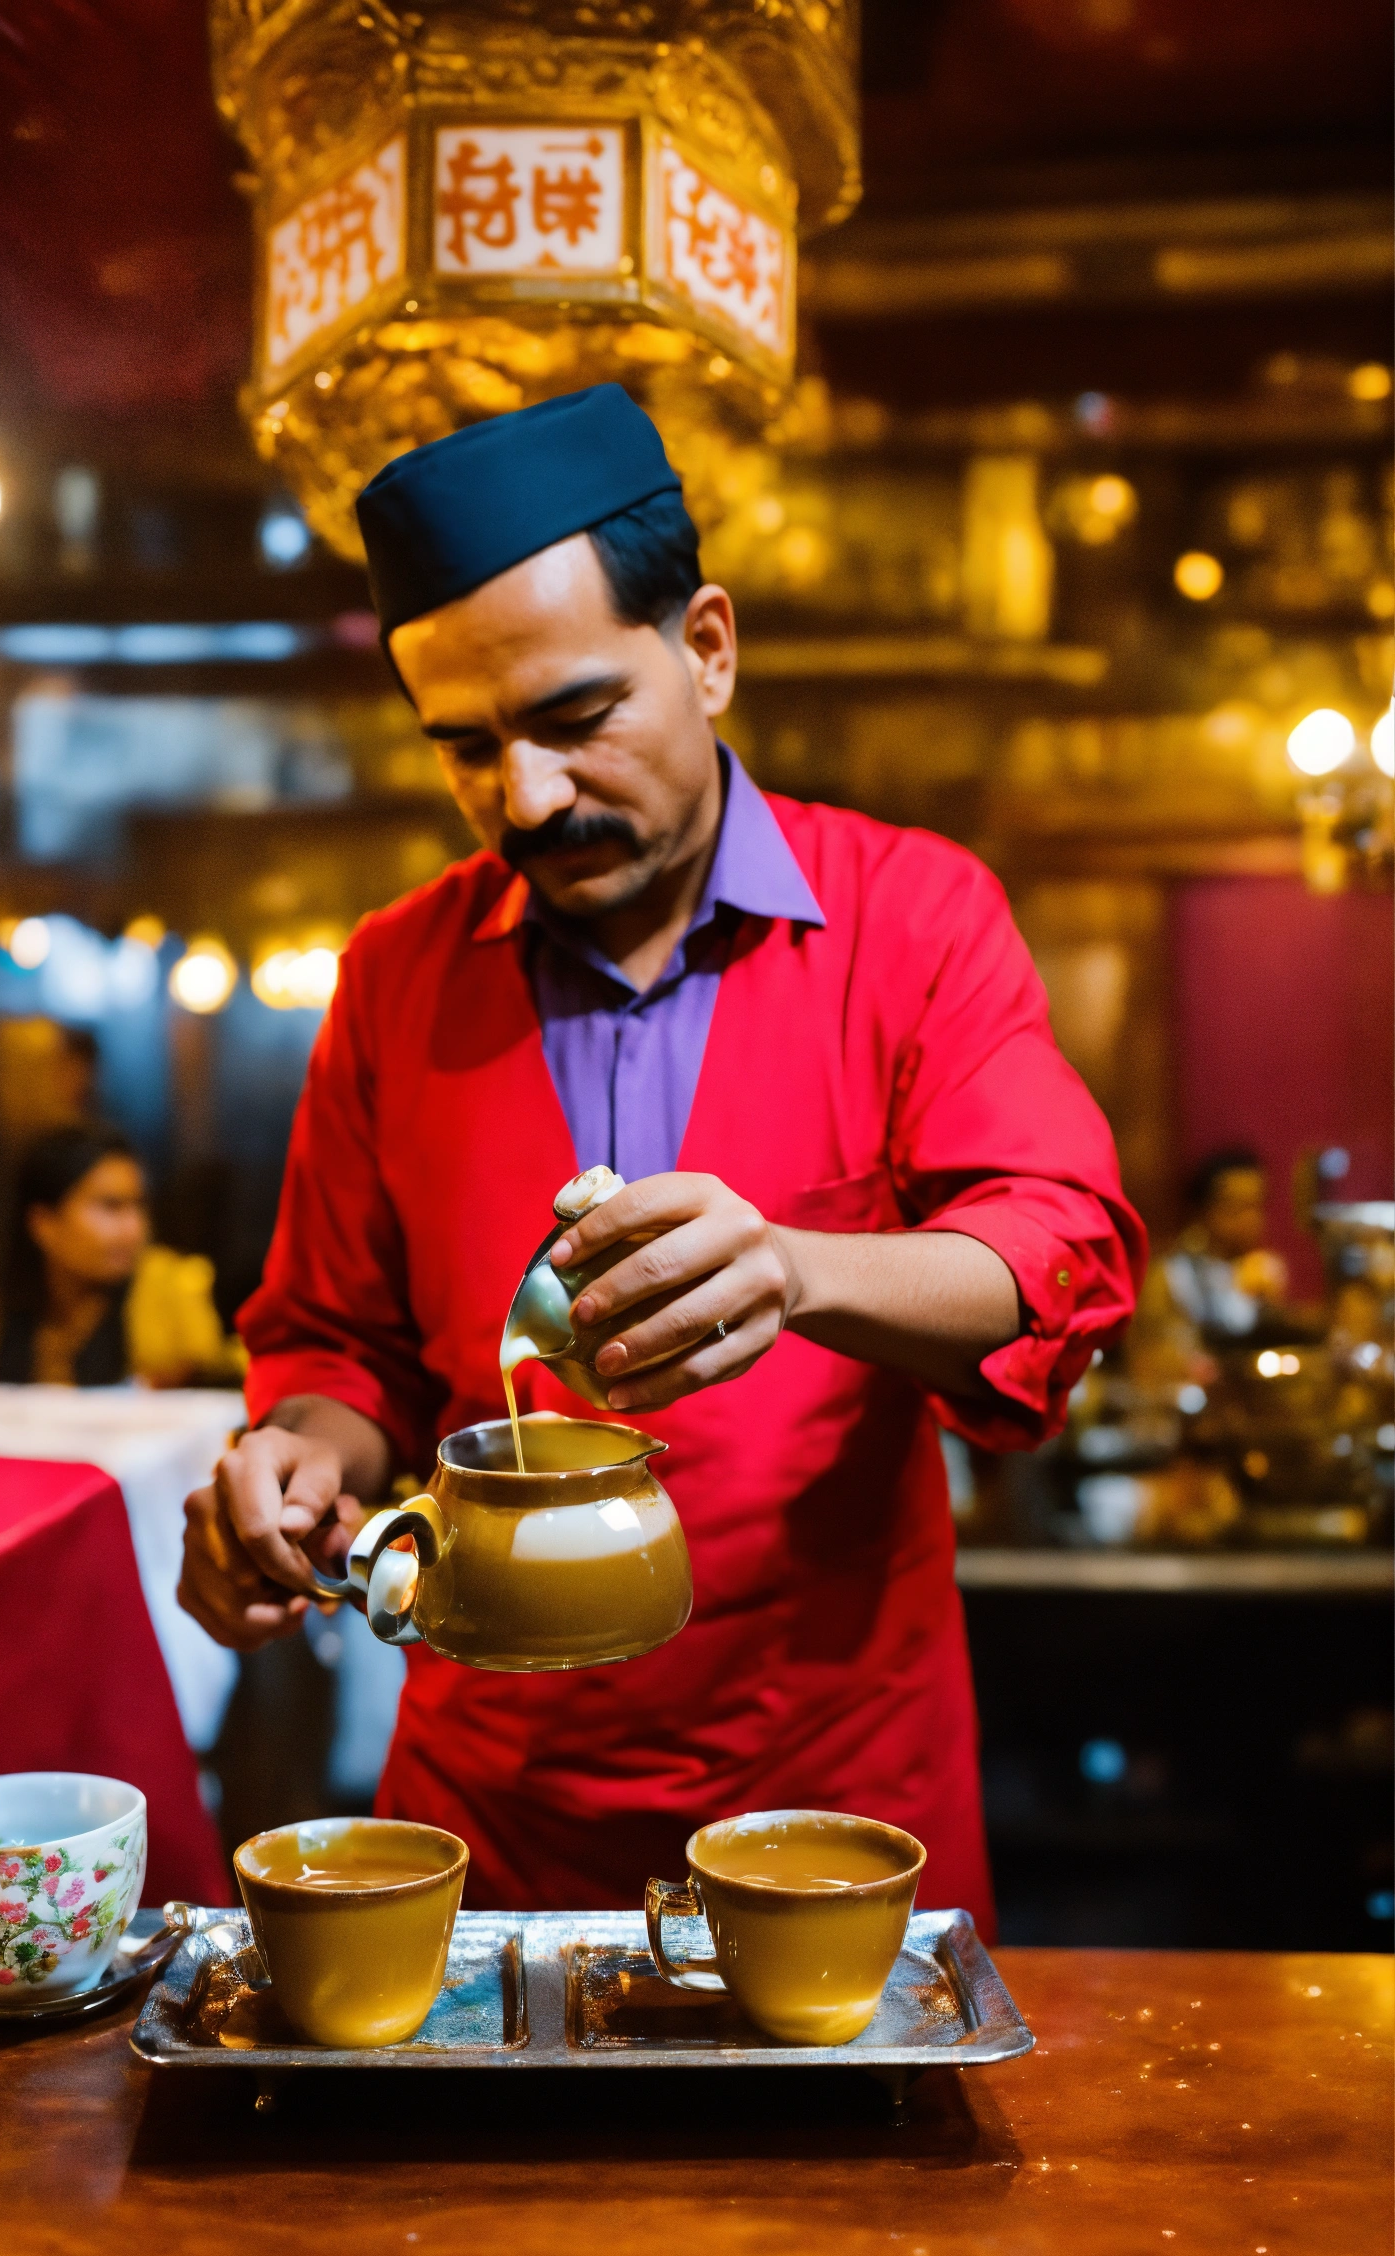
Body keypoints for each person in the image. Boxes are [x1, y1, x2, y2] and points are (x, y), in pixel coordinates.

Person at [178, 385, 1147, 1928]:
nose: (528, 798)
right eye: (465, 747)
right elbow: (337, 1343)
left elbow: (1057, 1247)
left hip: (830, 1805)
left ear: (705, 646)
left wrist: (801, 1271)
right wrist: (299, 1463)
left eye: (574, 721)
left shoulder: (910, 917)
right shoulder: (393, 978)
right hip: (486, 1814)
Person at [0, 1124, 241, 1389]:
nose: (134, 1229)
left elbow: (213, 1379)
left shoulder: (165, 1283)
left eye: (139, 1205)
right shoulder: (6, 1308)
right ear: (43, 1223)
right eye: (111, 1206)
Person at [1161, 1146, 1287, 1341]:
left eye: (1256, 1206)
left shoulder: (1264, 1269)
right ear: (1204, 1210)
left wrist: (1270, 1307)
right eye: (1236, 1208)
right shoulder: (1175, 1273)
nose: (1250, 1220)